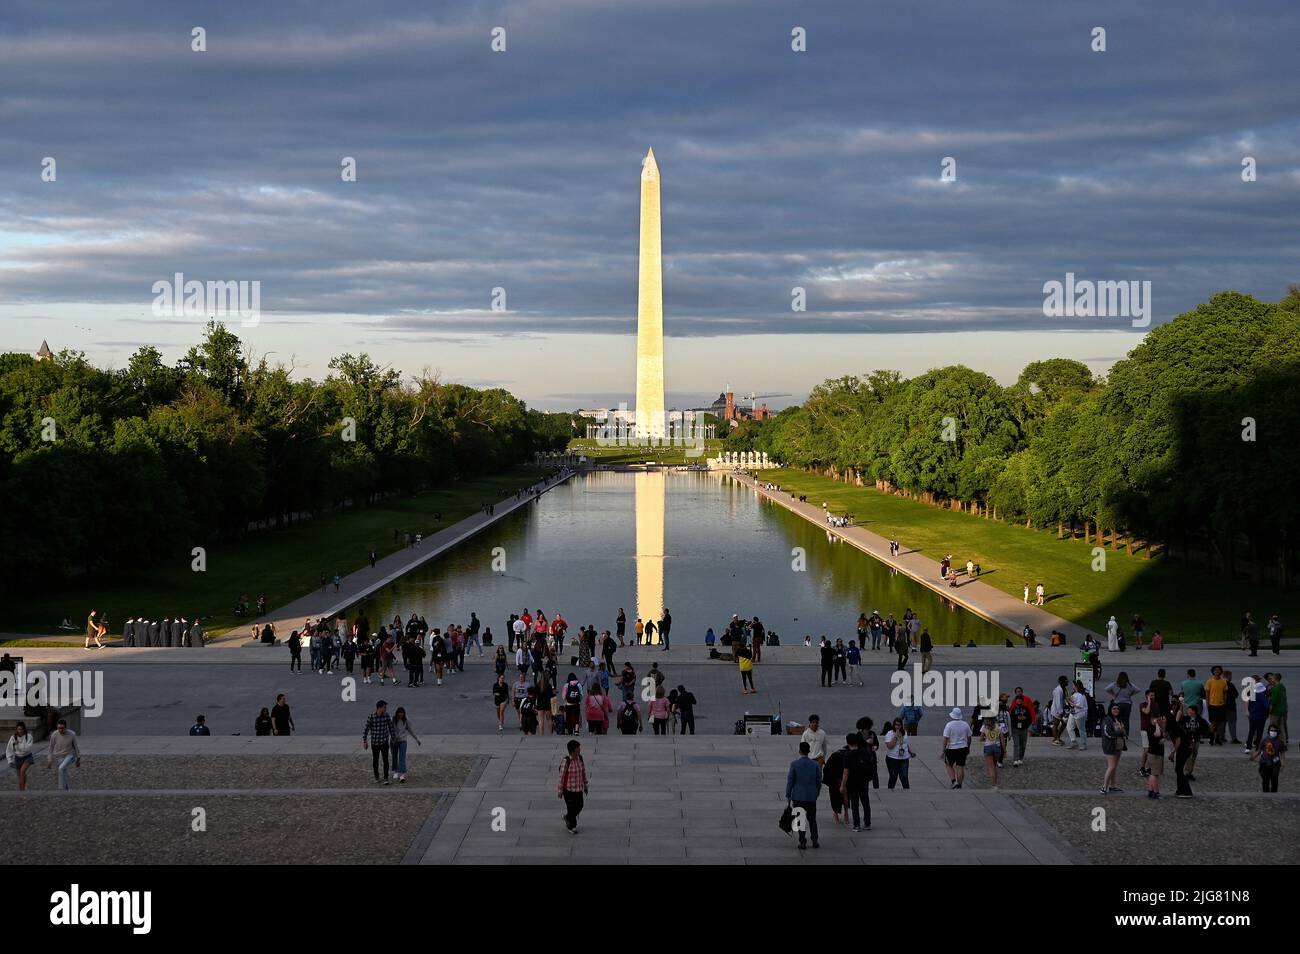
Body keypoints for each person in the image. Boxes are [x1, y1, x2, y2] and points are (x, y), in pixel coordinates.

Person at [785, 741, 822, 850]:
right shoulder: (815, 765)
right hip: (811, 796)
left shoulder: (794, 764)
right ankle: (815, 840)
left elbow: (790, 781)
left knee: (800, 820)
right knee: (812, 819)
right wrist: (816, 793)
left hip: (798, 796)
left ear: (800, 751)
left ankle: (802, 842)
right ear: (809, 751)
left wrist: (788, 795)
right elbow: (818, 781)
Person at [839, 733, 871, 832]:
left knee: (855, 803)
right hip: (864, 780)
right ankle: (867, 823)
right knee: (865, 802)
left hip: (853, 782)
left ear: (847, 742)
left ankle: (857, 825)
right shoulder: (864, 752)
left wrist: (843, 785)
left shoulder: (848, 755)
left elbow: (846, 771)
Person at [557, 739, 588, 833]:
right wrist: (560, 790)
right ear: (572, 750)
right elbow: (561, 776)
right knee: (570, 807)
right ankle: (572, 826)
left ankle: (568, 817)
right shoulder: (566, 761)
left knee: (579, 806)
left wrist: (585, 785)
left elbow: (583, 772)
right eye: (578, 748)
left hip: (578, 789)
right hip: (569, 790)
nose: (579, 750)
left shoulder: (580, 759)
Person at [362, 700, 395, 784]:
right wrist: (364, 741)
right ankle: (376, 776)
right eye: (384, 707)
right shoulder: (372, 717)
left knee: (386, 760)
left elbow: (391, 727)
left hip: (384, 741)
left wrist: (393, 738)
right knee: (375, 760)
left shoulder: (386, 716)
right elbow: (366, 729)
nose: (386, 709)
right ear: (379, 707)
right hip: (375, 742)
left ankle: (386, 778)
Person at [46, 719, 81, 790]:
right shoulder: (54, 734)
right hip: (59, 756)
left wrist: (78, 759)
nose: (60, 730)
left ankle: (61, 789)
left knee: (61, 768)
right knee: (63, 772)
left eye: (62, 728)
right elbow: (50, 748)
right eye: (59, 728)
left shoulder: (72, 734)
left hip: (70, 755)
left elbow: (76, 747)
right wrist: (49, 760)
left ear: (66, 727)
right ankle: (66, 790)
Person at [1100, 703, 1127, 794]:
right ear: (1110, 710)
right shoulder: (1107, 720)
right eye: (1114, 708)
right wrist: (1119, 733)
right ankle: (1104, 787)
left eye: (1117, 709)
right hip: (1110, 746)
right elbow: (1106, 733)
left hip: (1118, 746)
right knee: (1111, 766)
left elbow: (1122, 730)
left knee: (1114, 767)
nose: (1116, 710)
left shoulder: (1118, 719)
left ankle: (1112, 786)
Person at [941, 707, 971, 789]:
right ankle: (960, 784)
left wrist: (943, 750)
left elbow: (945, 738)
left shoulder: (949, 725)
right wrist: (968, 747)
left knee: (948, 764)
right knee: (960, 766)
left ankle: (953, 781)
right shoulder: (965, 724)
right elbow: (969, 737)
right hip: (962, 747)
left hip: (951, 748)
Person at [390, 706, 420, 782]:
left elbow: (411, 730)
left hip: (403, 741)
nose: (400, 716)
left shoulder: (406, 720)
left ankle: (402, 774)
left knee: (402, 757)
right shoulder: (393, 720)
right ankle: (396, 772)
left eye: (402, 715)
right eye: (399, 715)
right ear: (397, 714)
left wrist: (417, 739)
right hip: (394, 741)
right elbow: (389, 729)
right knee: (394, 756)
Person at [1252, 726, 1286, 793]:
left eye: (1274, 731)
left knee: (1274, 780)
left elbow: (1282, 754)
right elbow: (1259, 750)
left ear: (1277, 732)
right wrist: (1253, 757)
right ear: (1268, 731)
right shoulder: (1264, 740)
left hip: (1275, 764)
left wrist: (1282, 764)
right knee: (1265, 779)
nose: (1273, 732)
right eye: (1271, 730)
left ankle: (1274, 793)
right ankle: (1266, 793)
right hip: (1264, 763)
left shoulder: (1280, 742)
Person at [1104, 672, 1138, 737]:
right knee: (1126, 720)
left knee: (1117, 719)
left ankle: (1118, 733)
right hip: (1127, 704)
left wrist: (1113, 693)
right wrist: (1130, 694)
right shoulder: (1129, 685)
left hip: (1118, 704)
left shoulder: (1115, 684)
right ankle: (1126, 734)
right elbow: (1138, 689)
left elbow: (1107, 689)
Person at [1008, 687, 1035, 766]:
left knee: (1023, 745)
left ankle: (1020, 758)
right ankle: (1015, 760)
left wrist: (1028, 722)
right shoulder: (1013, 705)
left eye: (1019, 691)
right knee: (1016, 744)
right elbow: (1011, 716)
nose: (1018, 693)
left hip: (1024, 728)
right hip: (1015, 729)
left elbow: (1031, 714)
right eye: (1017, 692)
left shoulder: (1027, 703)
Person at [883, 717, 912, 788]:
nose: (897, 726)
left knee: (904, 777)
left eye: (899, 725)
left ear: (901, 725)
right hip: (893, 758)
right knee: (893, 777)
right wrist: (895, 736)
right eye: (896, 725)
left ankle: (907, 791)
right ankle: (890, 790)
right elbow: (890, 746)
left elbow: (906, 744)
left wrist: (910, 752)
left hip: (904, 758)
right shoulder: (889, 733)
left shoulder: (904, 732)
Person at [6, 721, 34, 791]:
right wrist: (9, 760)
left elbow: (27, 749)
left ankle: (22, 791)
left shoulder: (29, 736)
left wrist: (18, 745)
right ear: (16, 730)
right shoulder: (13, 737)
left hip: (27, 756)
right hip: (18, 757)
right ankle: (22, 787)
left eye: (21, 729)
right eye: (18, 729)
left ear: (24, 729)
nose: (20, 731)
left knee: (22, 771)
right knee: (20, 776)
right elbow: (9, 749)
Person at [1145, 710, 1166, 800]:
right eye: (1156, 718)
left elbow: (1163, 734)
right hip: (1155, 753)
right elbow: (1157, 734)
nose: (1158, 720)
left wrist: (1162, 724)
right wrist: (1157, 724)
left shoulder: (1157, 726)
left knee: (1152, 773)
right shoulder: (1151, 727)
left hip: (1156, 752)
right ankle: (1156, 792)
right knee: (1155, 774)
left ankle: (1150, 791)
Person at [979, 717, 1002, 788]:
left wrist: (986, 738)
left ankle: (993, 785)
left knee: (990, 767)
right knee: (994, 767)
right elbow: (1002, 739)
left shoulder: (985, 726)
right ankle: (995, 783)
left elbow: (981, 739)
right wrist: (1005, 750)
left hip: (988, 747)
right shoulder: (998, 726)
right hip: (997, 747)